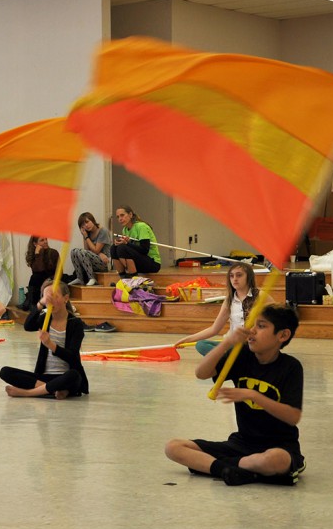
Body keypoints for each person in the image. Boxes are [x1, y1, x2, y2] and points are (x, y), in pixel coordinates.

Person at [164, 304, 304, 486]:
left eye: (261, 326)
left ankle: (219, 466)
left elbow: (292, 416)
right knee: (173, 447)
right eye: (251, 325)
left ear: (282, 335)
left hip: (278, 446)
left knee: (276, 459)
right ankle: (229, 470)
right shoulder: (242, 355)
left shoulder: (291, 367)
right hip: (241, 443)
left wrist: (254, 395)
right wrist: (227, 342)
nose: (251, 331)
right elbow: (201, 372)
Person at [0, 282, 88, 399]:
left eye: (54, 296)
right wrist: (40, 303)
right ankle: (54, 390)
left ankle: (28, 393)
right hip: (44, 376)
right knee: (5, 372)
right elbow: (28, 325)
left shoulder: (75, 324)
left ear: (65, 298)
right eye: (46, 298)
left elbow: (72, 356)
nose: (49, 301)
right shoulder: (45, 319)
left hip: (66, 376)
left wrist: (50, 345)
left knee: (74, 376)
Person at [175, 262, 273, 355]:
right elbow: (214, 329)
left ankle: (229, 359)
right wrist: (187, 339)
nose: (235, 279)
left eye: (239, 275)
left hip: (252, 344)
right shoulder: (229, 300)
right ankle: (228, 358)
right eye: (231, 276)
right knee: (201, 345)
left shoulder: (261, 296)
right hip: (232, 344)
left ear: (249, 277)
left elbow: (280, 317)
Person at [111, 205, 161, 277]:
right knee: (114, 247)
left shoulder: (141, 227)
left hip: (152, 262)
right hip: (137, 261)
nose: (120, 219)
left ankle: (134, 279)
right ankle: (122, 277)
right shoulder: (124, 230)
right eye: (118, 217)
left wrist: (127, 244)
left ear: (130, 215)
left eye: (122, 215)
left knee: (122, 248)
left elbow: (144, 250)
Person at [69, 212, 111, 286]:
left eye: (87, 222)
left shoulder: (103, 231)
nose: (86, 225)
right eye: (83, 225)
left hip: (105, 263)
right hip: (94, 260)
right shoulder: (87, 233)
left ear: (92, 220)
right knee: (74, 251)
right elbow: (86, 250)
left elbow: (96, 250)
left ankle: (92, 278)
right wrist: (84, 235)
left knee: (81, 251)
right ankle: (79, 278)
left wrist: (86, 237)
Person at [20, 236, 58, 309]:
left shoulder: (53, 252)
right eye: (42, 240)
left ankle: (31, 302)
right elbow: (38, 269)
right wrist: (38, 254)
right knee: (36, 276)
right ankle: (32, 302)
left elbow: (59, 271)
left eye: (46, 239)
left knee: (35, 277)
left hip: (52, 278)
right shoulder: (33, 255)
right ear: (35, 244)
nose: (46, 242)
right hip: (39, 280)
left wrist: (49, 281)